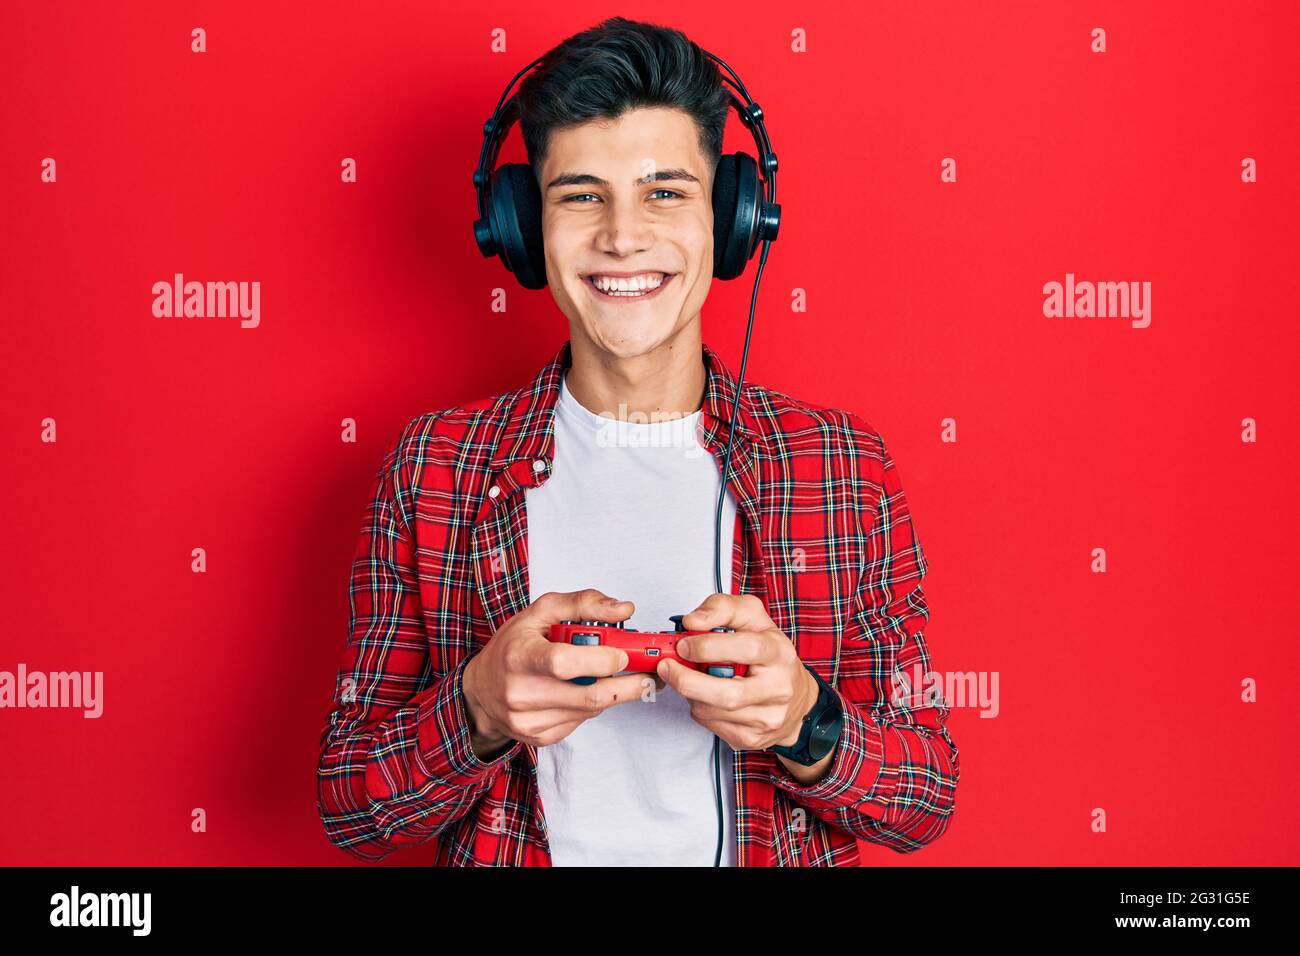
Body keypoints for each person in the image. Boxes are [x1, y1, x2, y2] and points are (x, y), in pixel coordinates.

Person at [317, 16, 959, 867]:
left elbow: (926, 798)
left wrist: (808, 718)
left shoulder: (840, 466)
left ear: (732, 220)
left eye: (665, 191)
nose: (623, 236)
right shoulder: (435, 467)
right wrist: (476, 707)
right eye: (581, 194)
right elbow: (353, 811)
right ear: (518, 227)